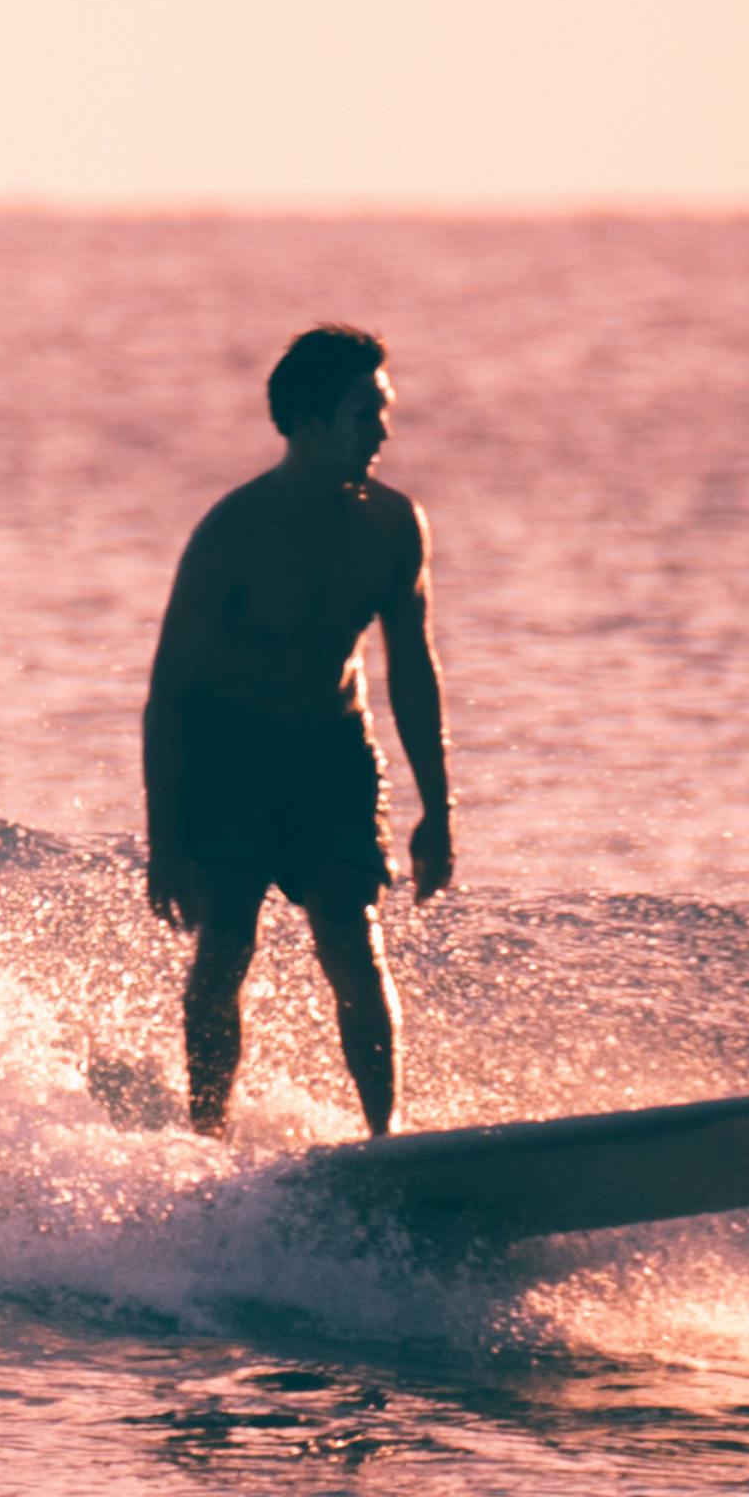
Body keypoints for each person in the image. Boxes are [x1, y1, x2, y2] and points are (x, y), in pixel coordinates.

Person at [142, 323, 453, 1136]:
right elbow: (169, 691)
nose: (383, 431)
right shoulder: (233, 532)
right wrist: (164, 841)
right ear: (311, 422)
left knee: (353, 940)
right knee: (224, 950)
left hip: (332, 756)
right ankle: (205, 1136)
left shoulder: (394, 527)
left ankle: (385, 1141)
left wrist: (439, 810)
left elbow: (412, 673)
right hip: (231, 755)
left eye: (383, 412)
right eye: (365, 413)